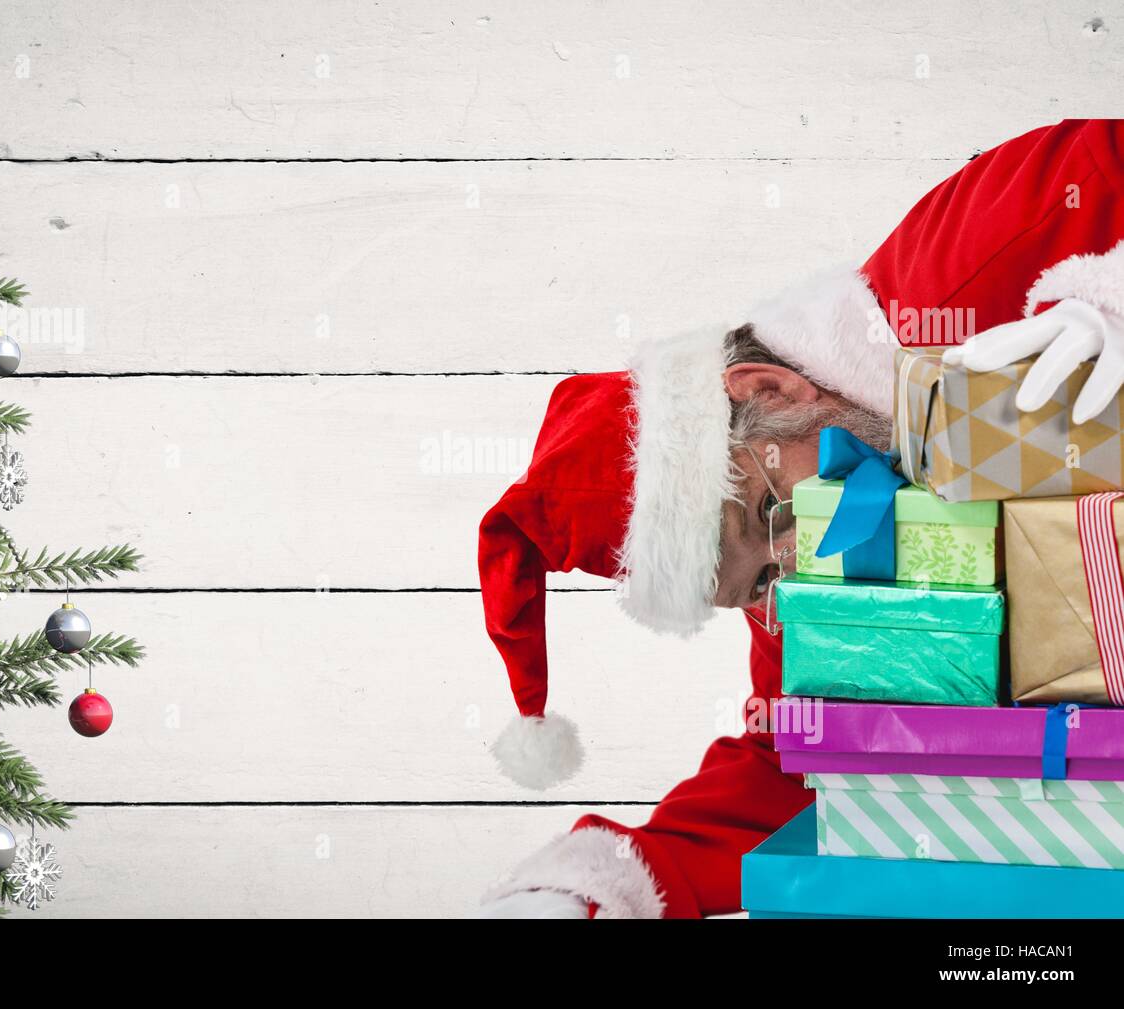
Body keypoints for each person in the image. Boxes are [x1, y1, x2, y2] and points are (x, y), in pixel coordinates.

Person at [474, 119, 1124, 918]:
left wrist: (1110, 294)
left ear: (768, 392)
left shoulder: (966, 268)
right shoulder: (811, 587)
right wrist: (588, 888)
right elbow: (793, 765)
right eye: (763, 585)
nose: (799, 566)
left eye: (770, 518)